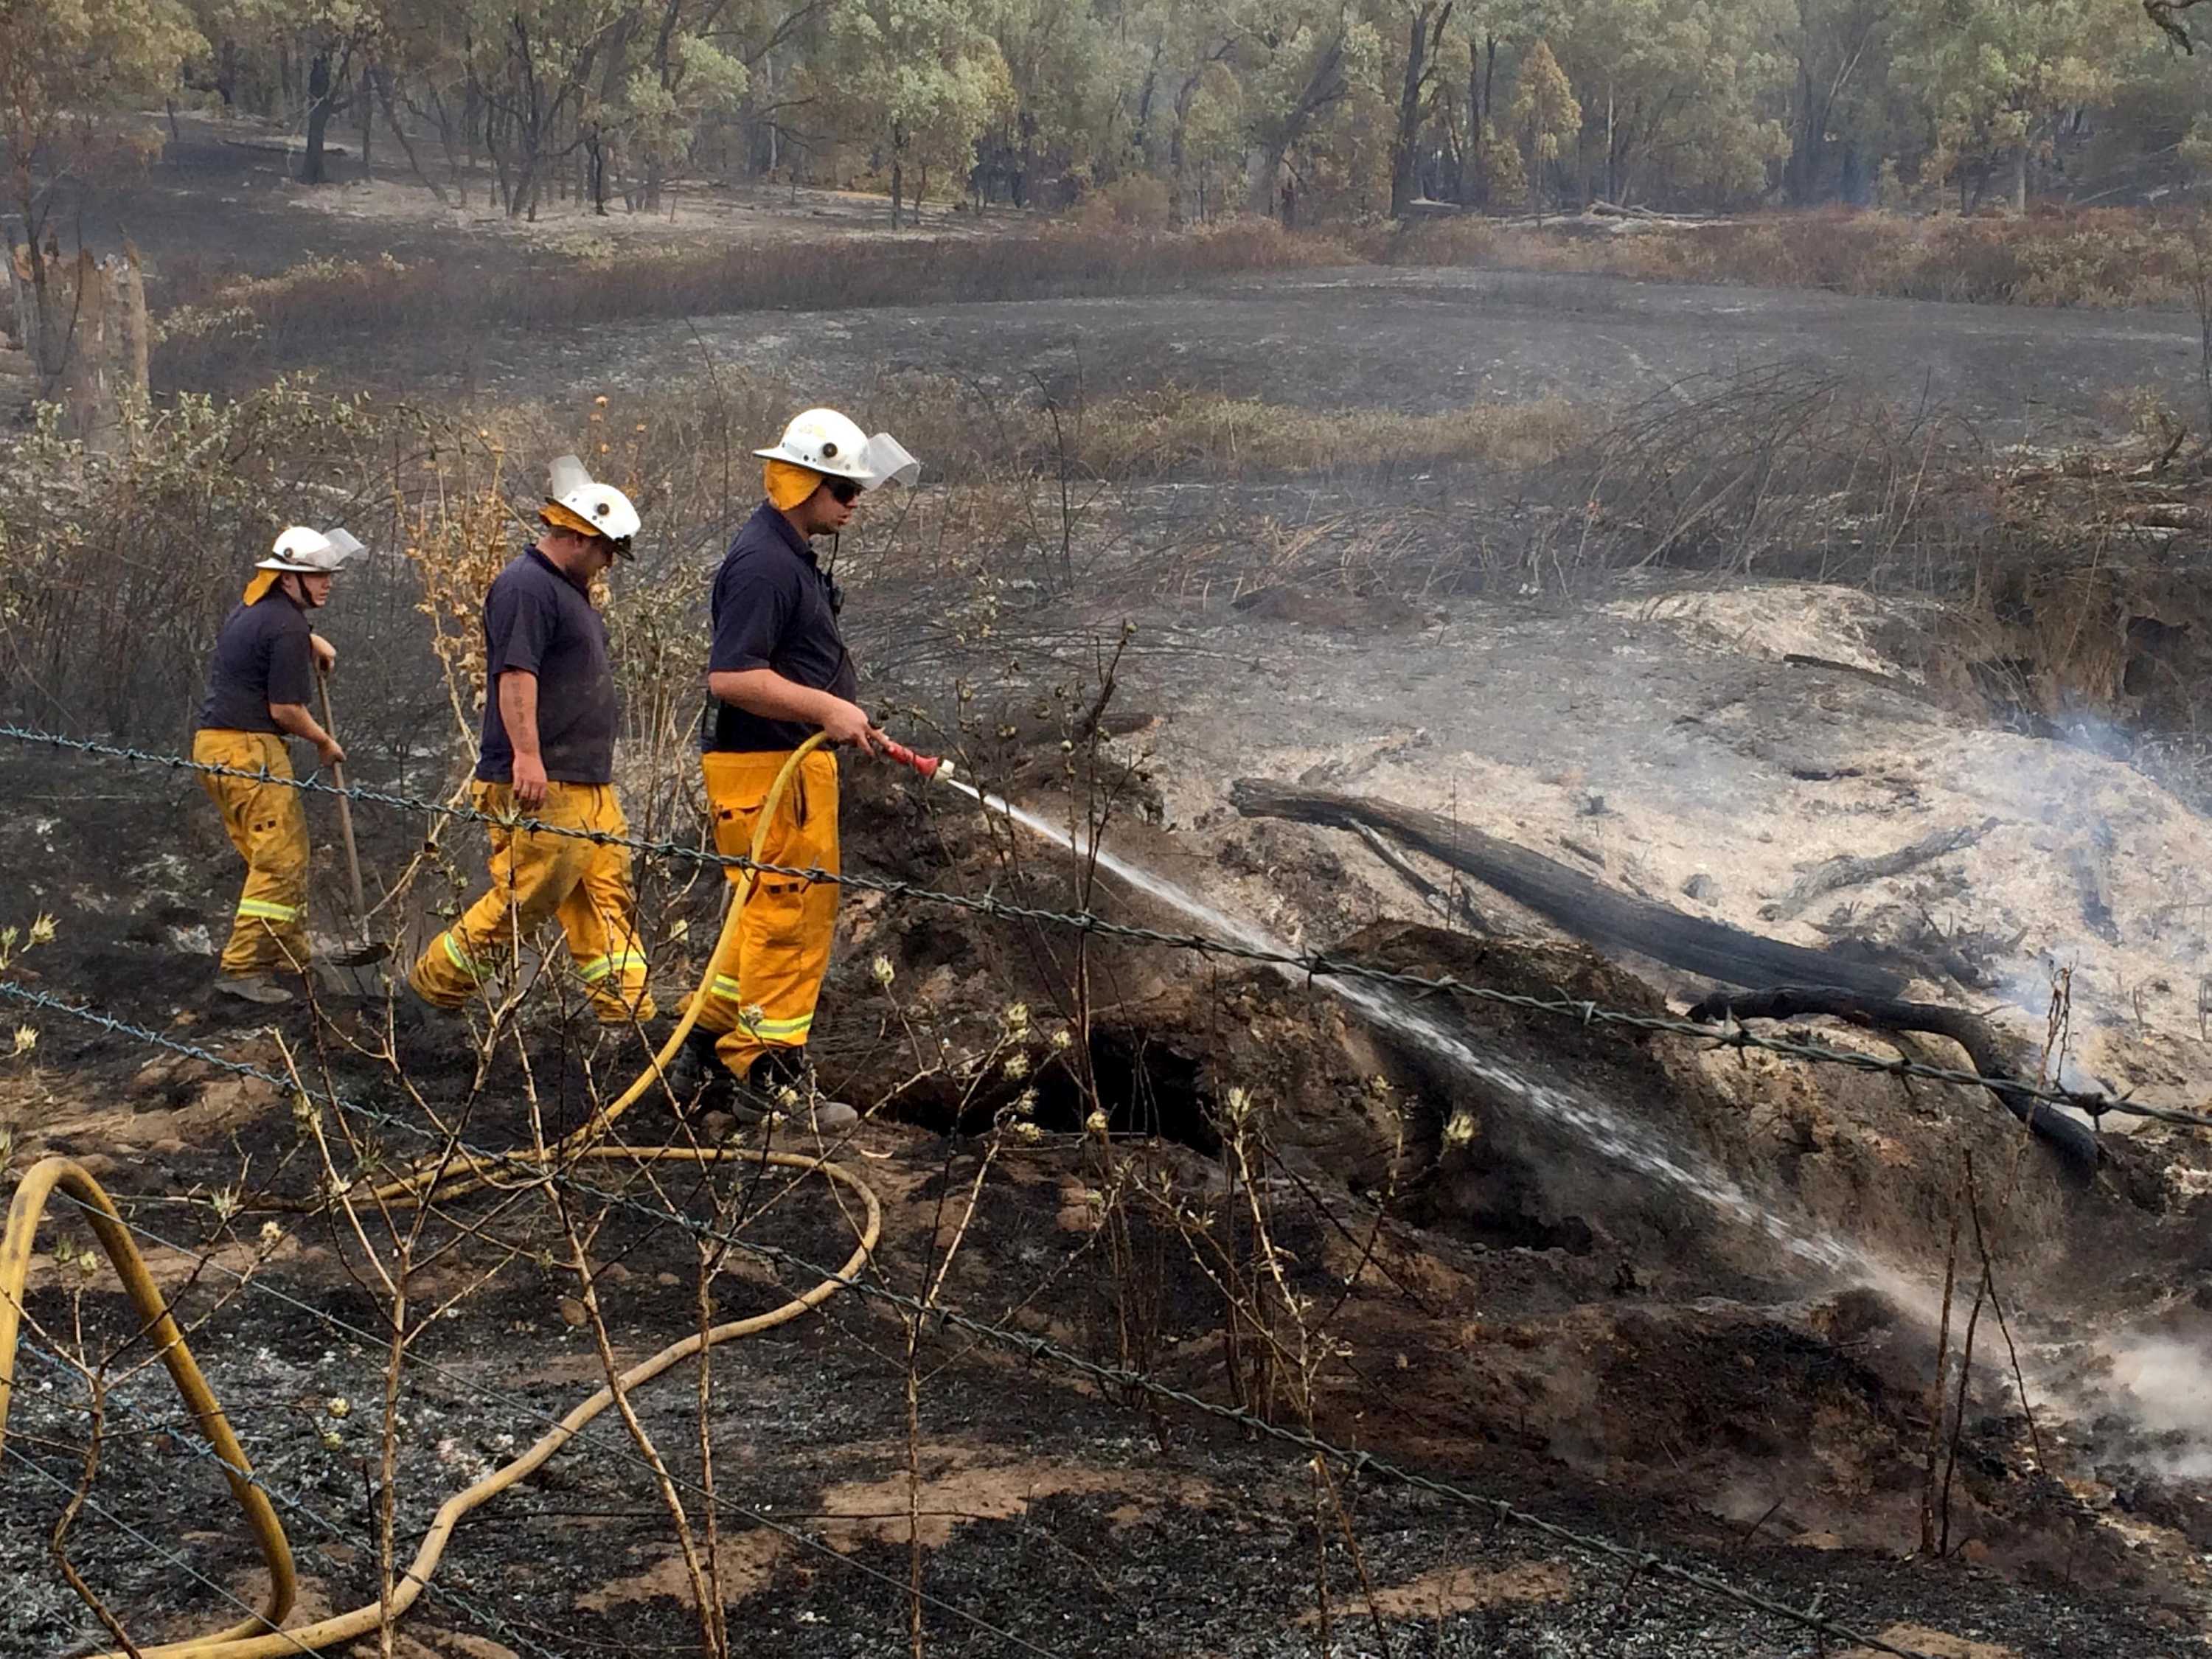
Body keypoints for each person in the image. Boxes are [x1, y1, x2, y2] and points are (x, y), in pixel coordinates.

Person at [672, 408, 919, 1120]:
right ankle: (767, 1075)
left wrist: (833, 711)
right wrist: (827, 708)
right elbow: (731, 676)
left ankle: (705, 1048)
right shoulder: (765, 565)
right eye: (844, 490)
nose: (854, 503)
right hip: (769, 771)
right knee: (789, 918)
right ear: (803, 483)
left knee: (761, 914)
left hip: (782, 767)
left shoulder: (789, 556)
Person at [407, 456, 656, 1026]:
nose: (609, 563)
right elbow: (516, 674)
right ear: (577, 536)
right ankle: (432, 992)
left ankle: (626, 1016)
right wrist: (527, 755)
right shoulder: (526, 587)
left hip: (586, 780)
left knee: (605, 896)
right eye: (606, 550)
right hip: (544, 781)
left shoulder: (569, 592)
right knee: (527, 900)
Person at [192, 526, 361, 1006]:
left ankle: (290, 960)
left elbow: (265, 641)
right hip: (251, 752)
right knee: (280, 863)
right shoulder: (286, 626)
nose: (327, 583)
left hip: (215, 749)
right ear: (288, 578)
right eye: (318, 576)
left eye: (329, 574)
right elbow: (285, 710)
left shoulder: (255, 610)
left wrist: (310, 640)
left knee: (277, 859)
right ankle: (243, 969)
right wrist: (324, 742)